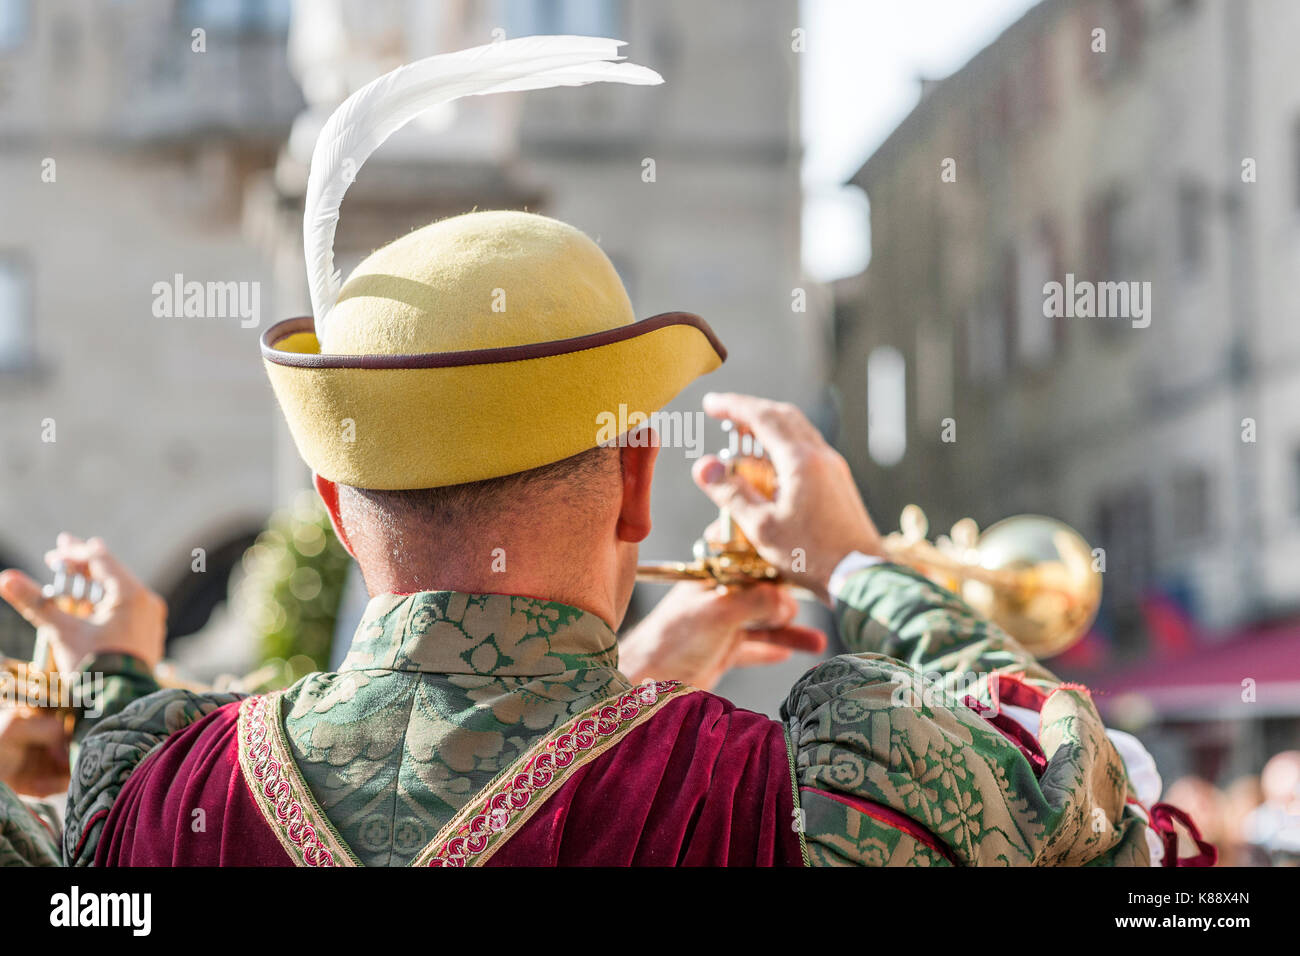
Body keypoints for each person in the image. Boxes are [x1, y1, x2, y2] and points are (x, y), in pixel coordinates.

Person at [0, 206, 1197, 866]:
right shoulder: (793, 801)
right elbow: (1087, 799)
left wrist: (109, 676)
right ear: (637, 486)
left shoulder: (144, 804)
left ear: (332, 511)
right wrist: (858, 565)